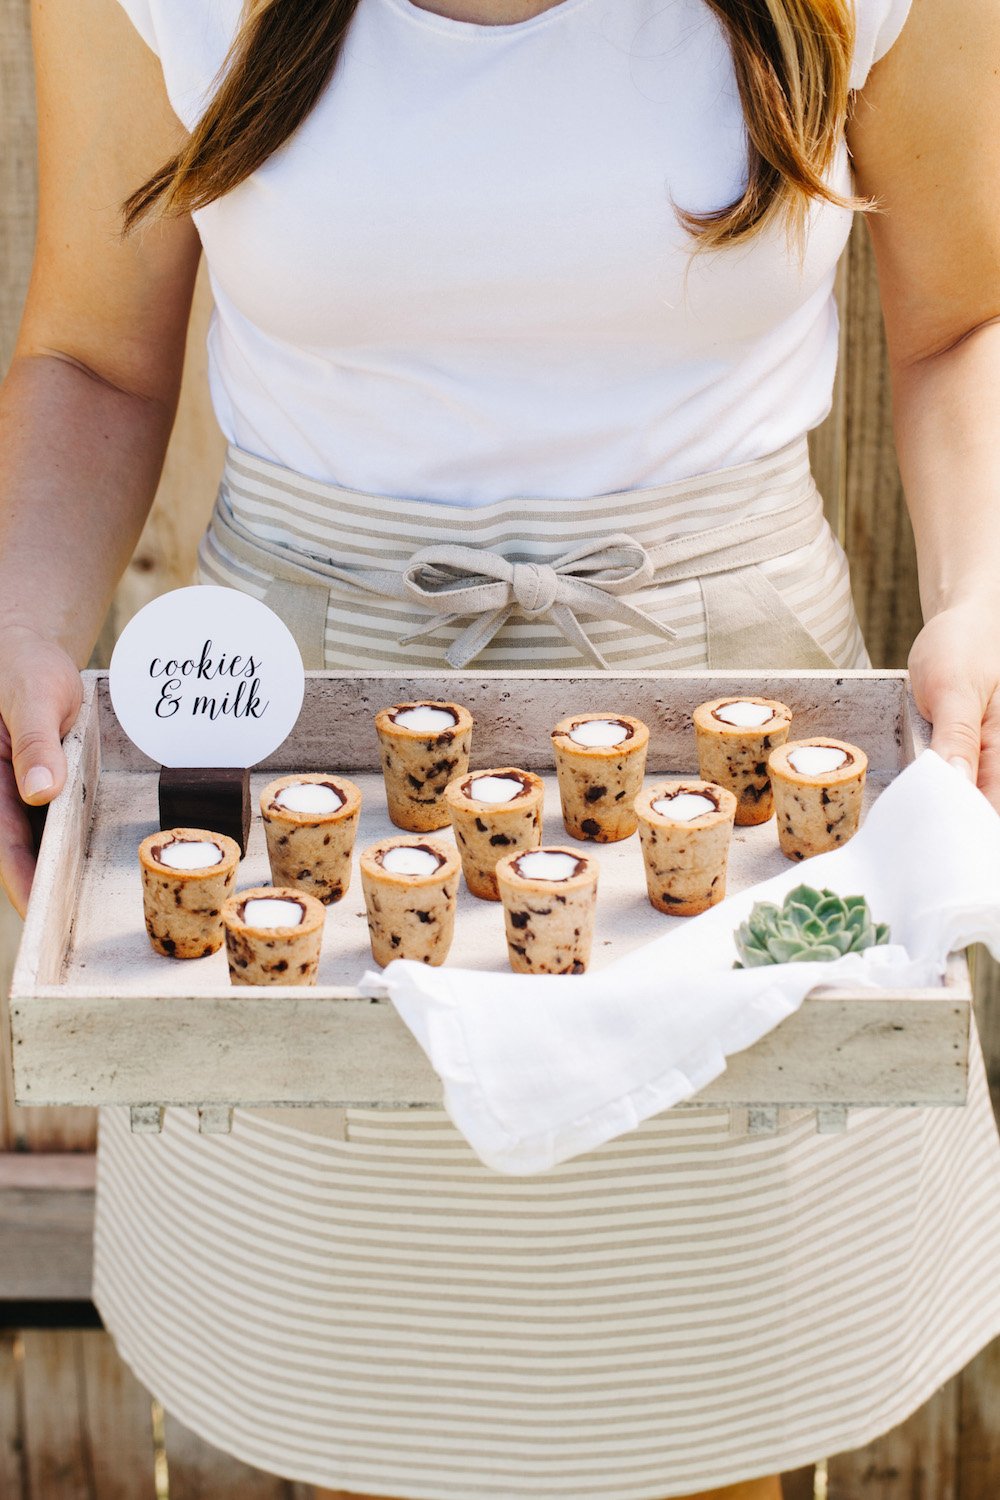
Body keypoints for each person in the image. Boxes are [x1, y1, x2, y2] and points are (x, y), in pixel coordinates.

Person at [2, 0, 1000, 1496]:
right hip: (305, 802)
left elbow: (963, 318)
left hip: (732, 787)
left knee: (701, 1412)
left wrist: (986, 594)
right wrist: (15, 622)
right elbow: (93, 352)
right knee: (368, 1412)